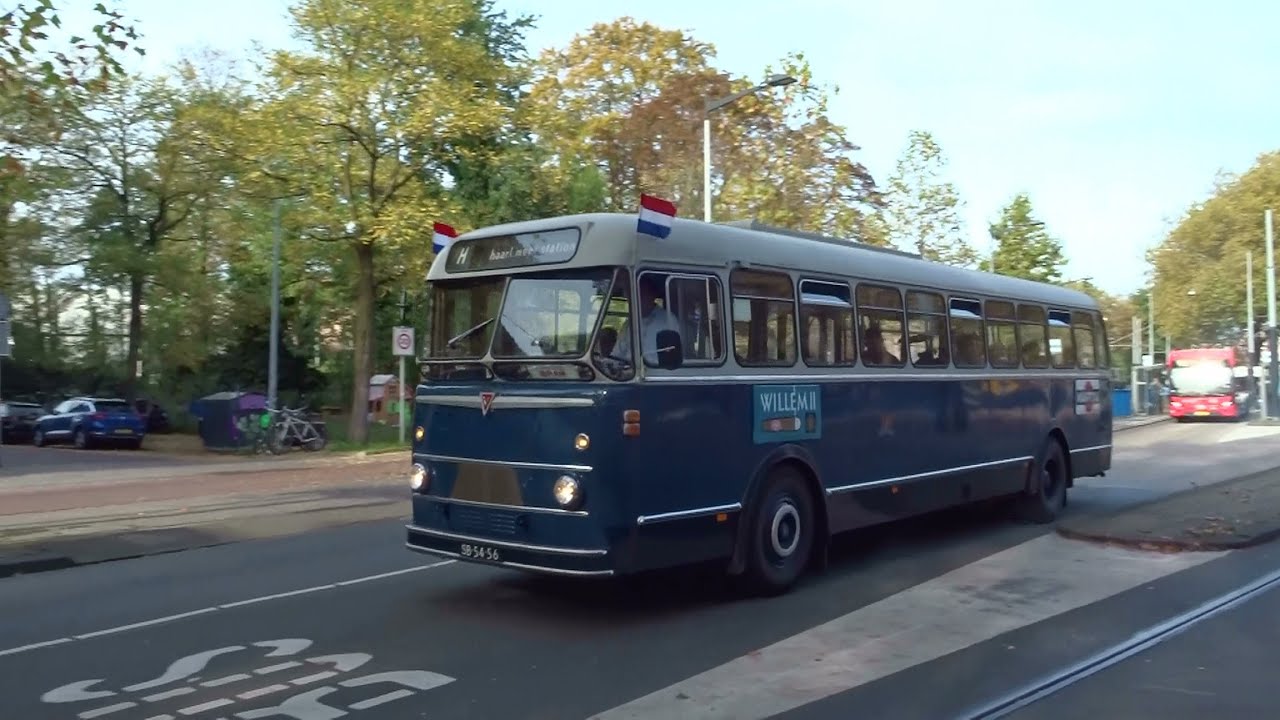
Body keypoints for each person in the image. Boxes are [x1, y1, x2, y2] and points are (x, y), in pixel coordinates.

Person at [614, 273, 681, 366]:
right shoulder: (629, 324)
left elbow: (672, 354)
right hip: (627, 372)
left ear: (651, 295)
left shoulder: (668, 319)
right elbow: (617, 353)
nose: (631, 301)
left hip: (654, 372)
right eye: (629, 297)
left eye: (641, 294)